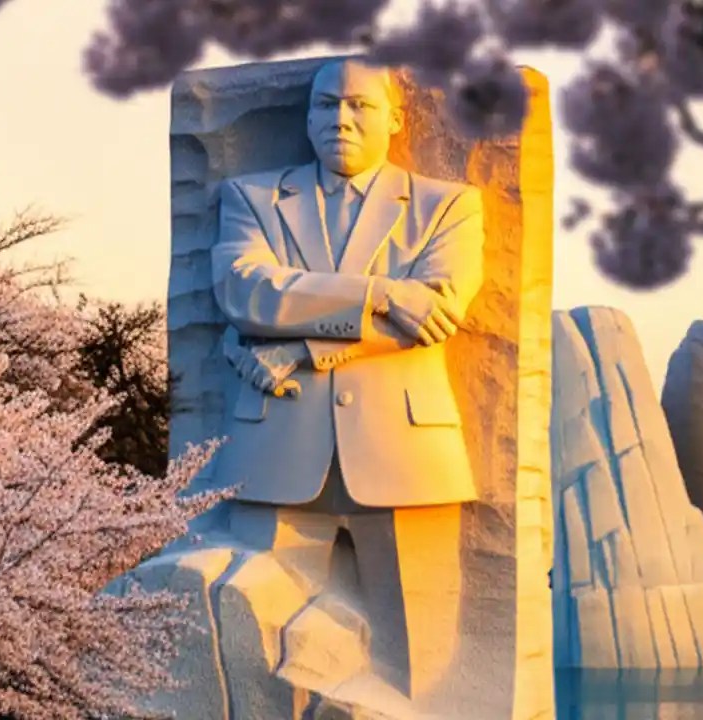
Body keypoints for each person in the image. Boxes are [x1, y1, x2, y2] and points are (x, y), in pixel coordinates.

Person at [209, 56, 485, 701]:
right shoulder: (252, 197)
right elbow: (245, 293)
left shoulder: (448, 207)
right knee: (255, 653)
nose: (339, 117)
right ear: (306, 117)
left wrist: (303, 347)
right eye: (324, 104)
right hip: (273, 449)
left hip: (404, 450)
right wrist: (384, 292)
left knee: (422, 671)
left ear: (395, 118)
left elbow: (435, 316)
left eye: (359, 105)